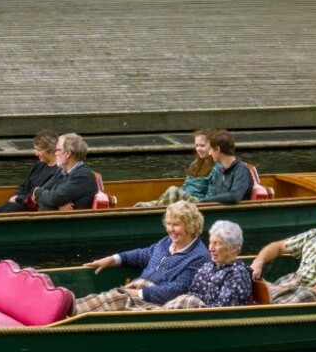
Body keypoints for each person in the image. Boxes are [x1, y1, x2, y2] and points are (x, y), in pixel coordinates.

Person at [73, 200, 208, 313]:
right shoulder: (167, 242)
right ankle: (64, 307)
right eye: (169, 224)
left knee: (111, 299)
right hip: (136, 289)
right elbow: (143, 255)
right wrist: (112, 259)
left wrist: (139, 294)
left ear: (191, 226)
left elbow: (177, 289)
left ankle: (65, 314)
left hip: (152, 301)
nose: (170, 229)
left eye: (176, 225)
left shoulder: (199, 257)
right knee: (100, 298)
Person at [250, 195, 316, 304]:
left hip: (312, 293)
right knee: (251, 281)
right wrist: (259, 261)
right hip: (293, 283)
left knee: (301, 293)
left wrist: (281, 289)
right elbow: (278, 246)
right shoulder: (314, 234)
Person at [161, 221, 253, 309]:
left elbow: (222, 311)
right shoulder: (208, 266)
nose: (211, 249)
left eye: (217, 243)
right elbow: (192, 294)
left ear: (234, 248)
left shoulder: (237, 273)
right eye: (210, 243)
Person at [134, 130, 215, 208]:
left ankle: (156, 209)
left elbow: (209, 197)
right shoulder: (195, 164)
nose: (198, 149)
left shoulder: (216, 168)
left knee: (173, 190)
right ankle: (153, 208)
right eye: (197, 145)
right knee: (140, 205)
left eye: (202, 146)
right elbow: (185, 186)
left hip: (197, 202)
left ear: (212, 146)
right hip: (184, 199)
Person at [0, 130, 63, 212]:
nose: (36, 154)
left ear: (50, 150)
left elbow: (44, 194)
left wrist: (18, 198)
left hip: (36, 207)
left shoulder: (59, 170)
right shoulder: (39, 165)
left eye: (39, 150)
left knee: (12, 207)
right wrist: (17, 197)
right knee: (9, 205)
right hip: (22, 202)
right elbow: (24, 186)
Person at [31, 133, 98, 211]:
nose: (55, 153)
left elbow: (53, 198)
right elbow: (43, 192)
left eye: (58, 150)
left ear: (67, 153)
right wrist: (58, 202)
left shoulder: (83, 176)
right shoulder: (63, 172)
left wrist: (39, 193)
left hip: (71, 221)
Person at [197, 128, 253, 204]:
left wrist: (204, 202)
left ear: (217, 150)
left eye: (211, 149)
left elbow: (234, 196)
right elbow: (217, 195)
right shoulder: (221, 170)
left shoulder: (241, 170)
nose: (209, 153)